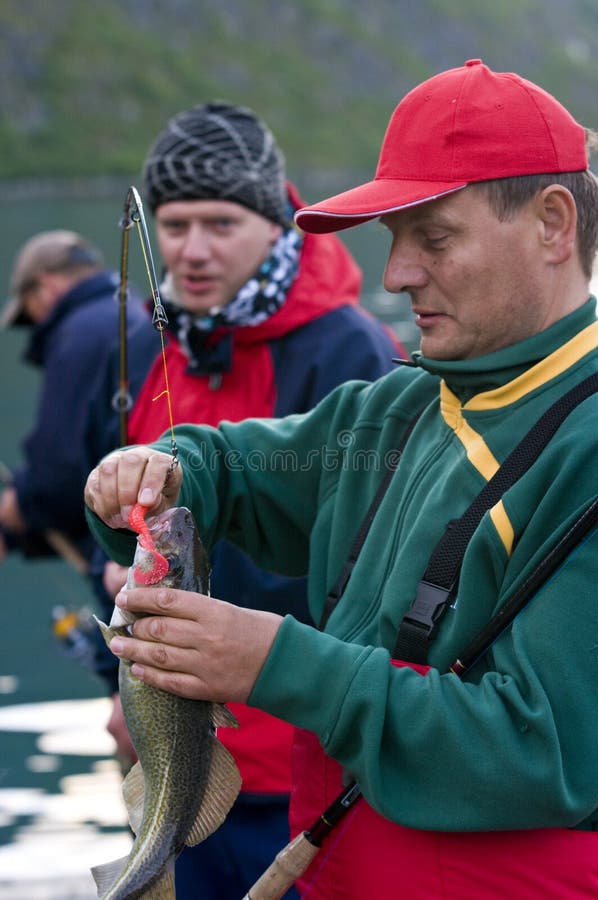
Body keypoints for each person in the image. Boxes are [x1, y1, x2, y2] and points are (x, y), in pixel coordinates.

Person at [83, 59, 598, 898]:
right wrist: (161, 473)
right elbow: (240, 473)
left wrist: (274, 663)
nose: (395, 275)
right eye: (392, 241)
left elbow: (544, 753)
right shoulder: (400, 405)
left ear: (552, 223)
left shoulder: (584, 446)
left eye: (433, 238)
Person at [86, 101, 401, 898]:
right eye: (175, 223)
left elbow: (361, 572)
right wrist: (120, 647)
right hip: (171, 749)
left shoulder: (350, 353)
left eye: (220, 223)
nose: (192, 250)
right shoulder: (167, 349)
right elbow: (130, 535)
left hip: (298, 773)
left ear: (275, 221)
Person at [0, 230, 149, 571]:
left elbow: (60, 470)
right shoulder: (130, 311)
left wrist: (19, 505)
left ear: (46, 285)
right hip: (146, 522)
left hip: (121, 551)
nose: (35, 322)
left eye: (28, 311)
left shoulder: (77, 336)